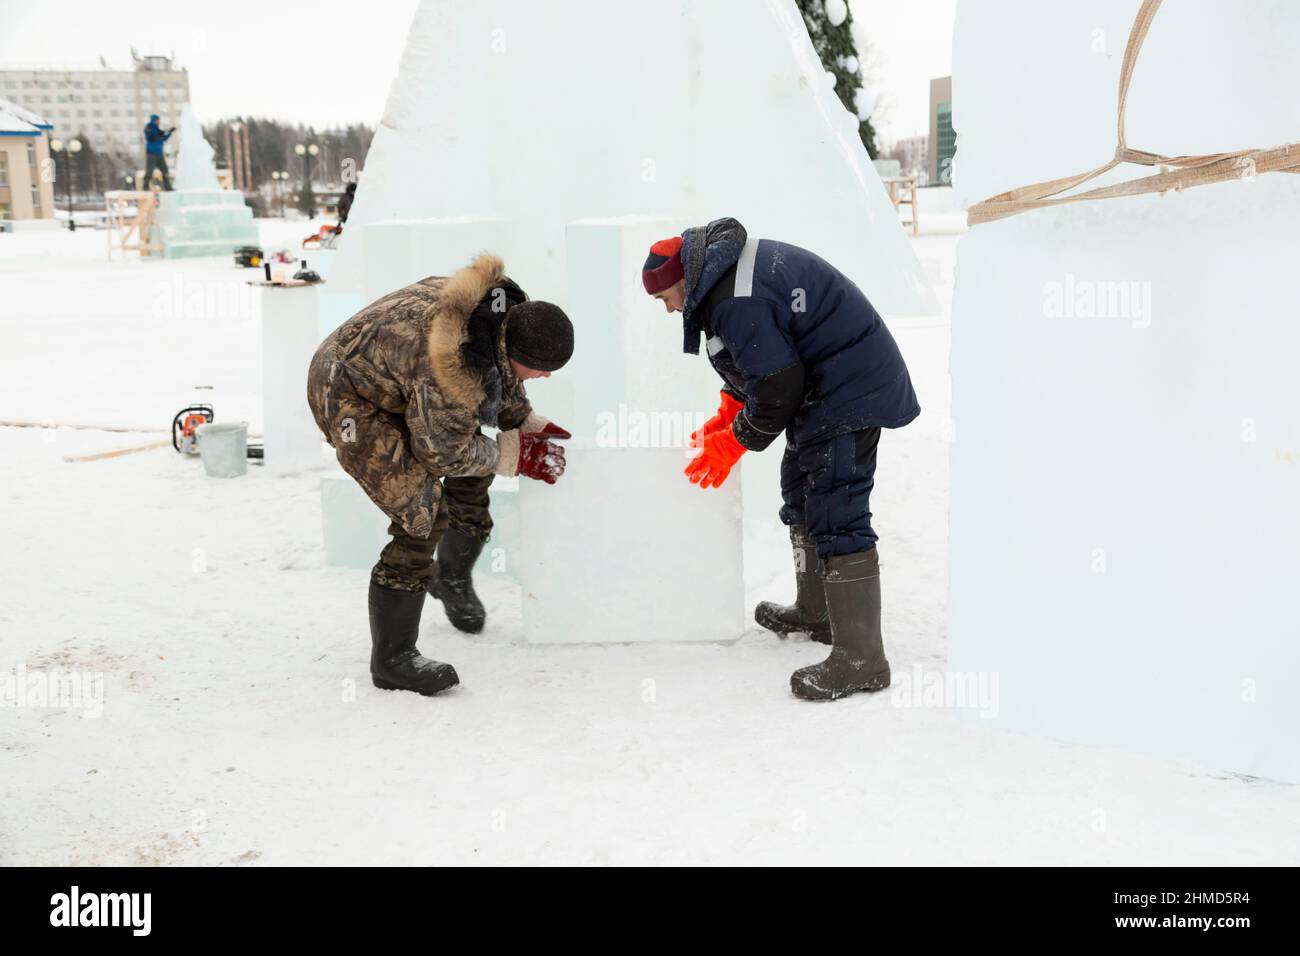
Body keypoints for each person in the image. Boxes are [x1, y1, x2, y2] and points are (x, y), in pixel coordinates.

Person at [642, 218, 919, 701]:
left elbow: (777, 386)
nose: (667, 309)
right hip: (822, 388)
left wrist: (736, 439)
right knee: (800, 488)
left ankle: (862, 659)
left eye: (663, 298)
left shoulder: (733, 298)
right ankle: (818, 611)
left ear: (680, 283)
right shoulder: (719, 282)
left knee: (837, 505)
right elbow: (760, 361)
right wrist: (730, 410)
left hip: (847, 390)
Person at [308, 253, 574, 696]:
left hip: (403, 374)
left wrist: (523, 420)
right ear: (515, 350)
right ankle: (393, 659)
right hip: (350, 394)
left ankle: (449, 579)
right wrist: (514, 456)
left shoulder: (500, 316)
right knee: (421, 514)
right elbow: (444, 453)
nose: (544, 376)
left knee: (475, 460)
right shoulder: (450, 368)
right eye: (541, 368)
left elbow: (495, 380)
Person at [142, 114, 174, 191]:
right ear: (154, 120)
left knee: (165, 171)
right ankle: (145, 187)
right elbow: (151, 136)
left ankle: (168, 187)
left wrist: (169, 132)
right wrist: (162, 132)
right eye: (158, 120)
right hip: (151, 153)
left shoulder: (158, 130)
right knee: (149, 171)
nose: (159, 122)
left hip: (159, 154)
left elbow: (164, 138)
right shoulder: (149, 127)